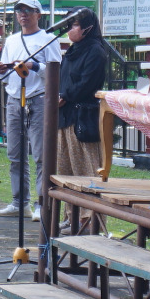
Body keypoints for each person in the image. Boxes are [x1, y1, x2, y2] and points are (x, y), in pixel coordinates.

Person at [0, 0, 62, 222]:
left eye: (28, 10)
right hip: (15, 98)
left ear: (38, 14)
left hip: (39, 98)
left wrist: (35, 66)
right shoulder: (11, 40)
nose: (23, 14)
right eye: (19, 10)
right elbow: (3, 74)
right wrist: (2, 69)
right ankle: (19, 201)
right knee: (15, 154)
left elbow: (55, 72)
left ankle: (40, 203)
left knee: (42, 155)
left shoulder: (49, 40)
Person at [56, 9, 110, 178]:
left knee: (86, 171)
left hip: (82, 119)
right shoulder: (72, 51)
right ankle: (70, 206)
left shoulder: (95, 51)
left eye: (75, 25)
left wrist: (65, 95)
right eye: (69, 25)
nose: (70, 29)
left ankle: (88, 205)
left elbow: (87, 83)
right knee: (65, 172)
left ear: (88, 27)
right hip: (64, 118)